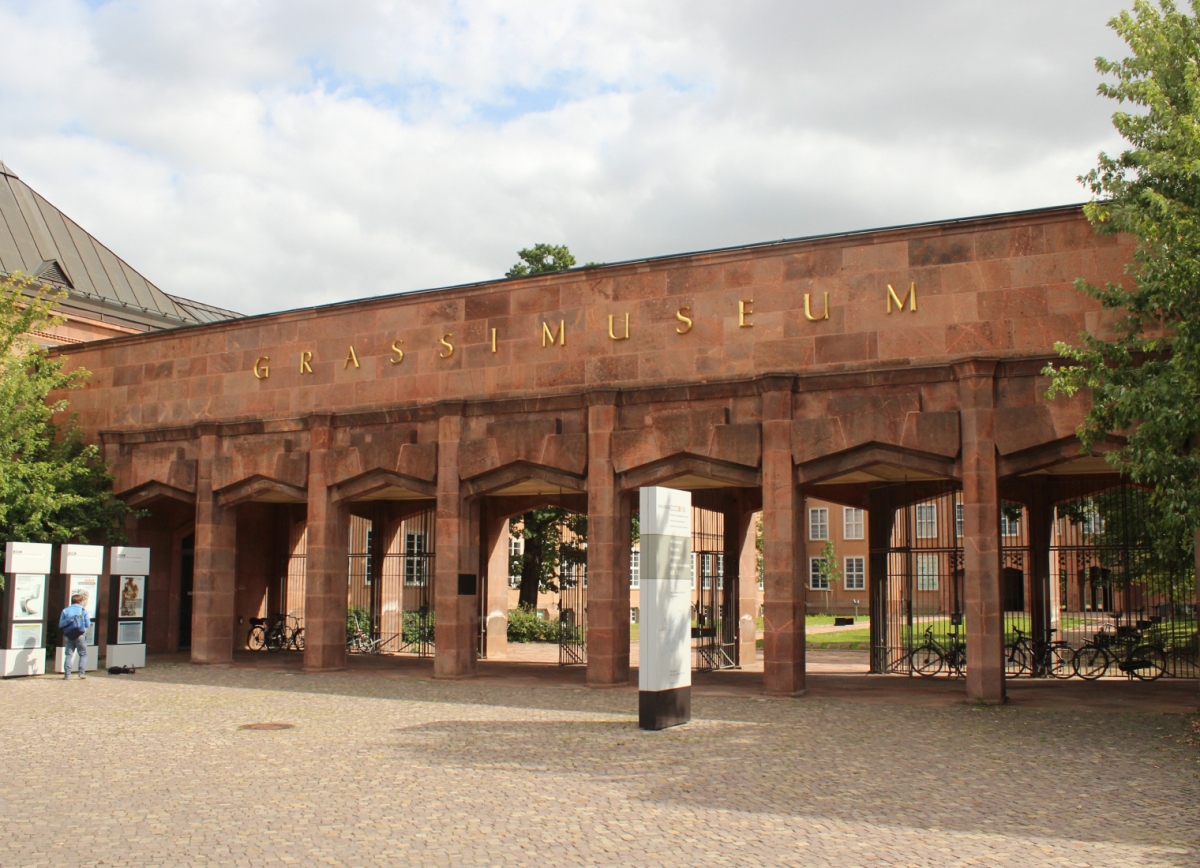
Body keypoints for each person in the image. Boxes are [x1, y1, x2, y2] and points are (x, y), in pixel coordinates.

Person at [59, 594, 90, 680]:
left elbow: (61, 624)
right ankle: (81, 673)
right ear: (80, 602)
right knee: (83, 654)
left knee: (69, 655)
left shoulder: (65, 610)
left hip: (69, 635)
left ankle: (67, 674)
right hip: (80, 635)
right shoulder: (83, 610)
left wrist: (69, 621)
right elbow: (87, 624)